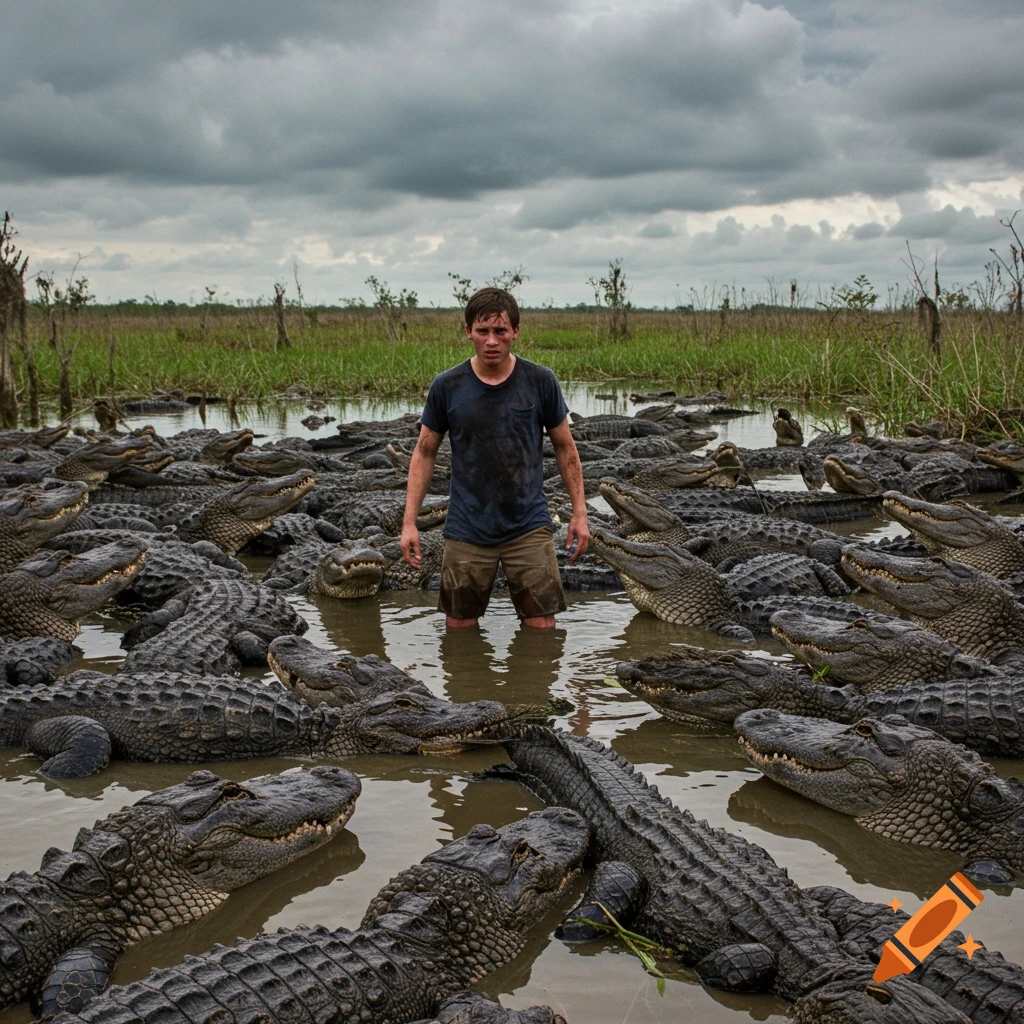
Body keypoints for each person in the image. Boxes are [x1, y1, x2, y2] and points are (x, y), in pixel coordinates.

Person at [400, 287, 589, 629]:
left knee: (542, 628)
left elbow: (565, 447)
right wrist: (409, 522)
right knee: (458, 627)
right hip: (467, 525)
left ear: (515, 332)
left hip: (528, 522)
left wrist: (580, 513)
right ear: (468, 332)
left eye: (500, 331)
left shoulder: (540, 380)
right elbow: (424, 451)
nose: (491, 341)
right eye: (482, 331)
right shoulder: (447, 386)